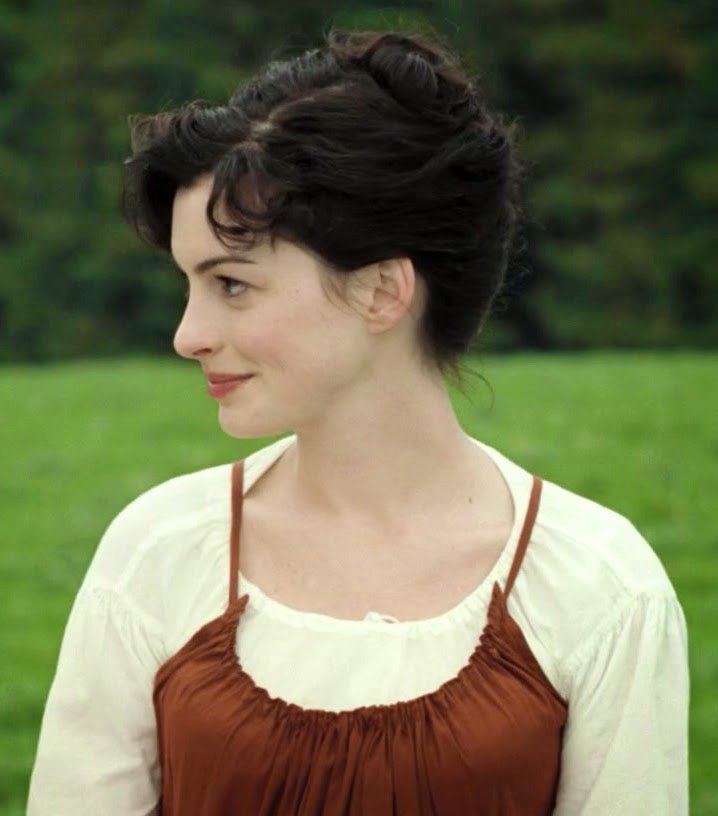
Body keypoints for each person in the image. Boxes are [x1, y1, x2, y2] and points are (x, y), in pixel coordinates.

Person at [27, 27, 689, 815]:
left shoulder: (599, 587)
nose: (187, 335)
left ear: (381, 291)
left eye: (232, 284)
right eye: (188, 285)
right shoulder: (157, 554)